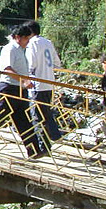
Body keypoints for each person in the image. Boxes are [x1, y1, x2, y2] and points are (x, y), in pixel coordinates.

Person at [0, 24, 46, 159]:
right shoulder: (9, 49)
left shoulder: (22, 50)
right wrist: (24, 81)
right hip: (9, 88)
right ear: (17, 37)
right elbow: (7, 69)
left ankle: (33, 150)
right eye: (26, 39)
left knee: (23, 121)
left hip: (20, 89)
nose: (28, 42)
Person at [24, 21, 62, 154]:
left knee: (36, 116)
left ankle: (43, 145)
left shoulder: (32, 44)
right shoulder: (48, 42)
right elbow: (57, 62)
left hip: (37, 85)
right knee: (46, 112)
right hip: (49, 83)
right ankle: (55, 135)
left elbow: (31, 64)